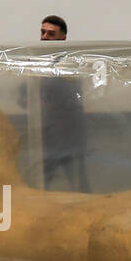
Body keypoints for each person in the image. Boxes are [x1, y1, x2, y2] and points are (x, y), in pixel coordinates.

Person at [35, 14, 89, 191]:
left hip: (69, 138)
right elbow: (24, 95)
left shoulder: (70, 64)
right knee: (42, 185)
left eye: (51, 34)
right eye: (43, 32)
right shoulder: (37, 63)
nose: (44, 37)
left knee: (78, 186)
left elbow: (69, 98)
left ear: (63, 37)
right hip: (44, 137)